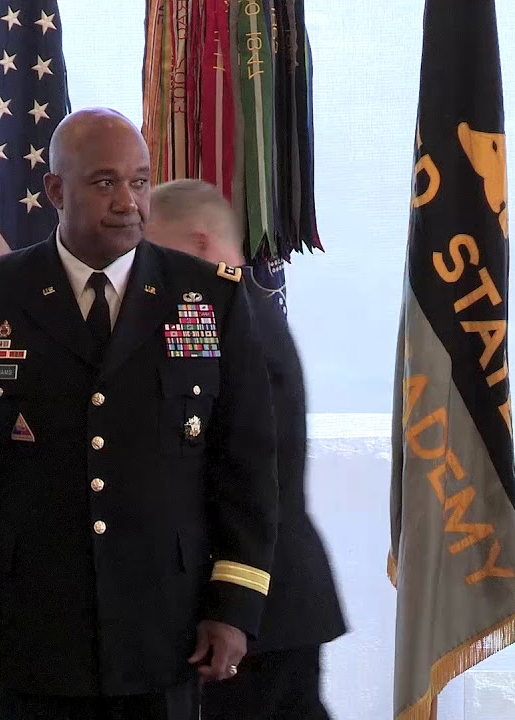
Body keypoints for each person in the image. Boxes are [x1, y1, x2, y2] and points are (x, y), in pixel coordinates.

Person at [0, 108, 279, 720]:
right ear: (56, 190)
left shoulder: (210, 296)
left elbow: (247, 465)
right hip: (35, 623)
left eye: (140, 181)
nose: (129, 202)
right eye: (105, 182)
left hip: (167, 625)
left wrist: (234, 604)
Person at [146, 179, 346, 720]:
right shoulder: (249, 312)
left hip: (252, 601)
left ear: (199, 243)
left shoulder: (220, 323)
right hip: (272, 594)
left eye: (154, 250)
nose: (145, 272)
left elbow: (223, 465)